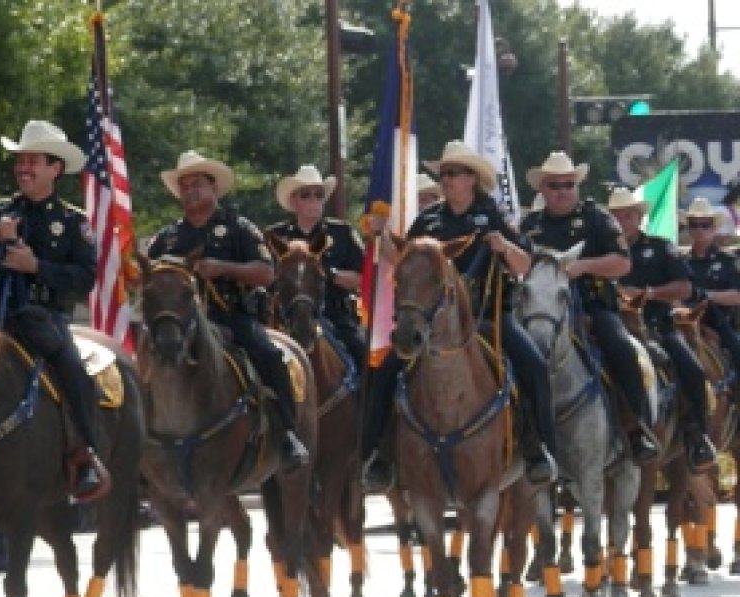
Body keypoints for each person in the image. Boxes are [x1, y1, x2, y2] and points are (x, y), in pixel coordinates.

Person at [360, 141, 557, 492]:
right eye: (443, 173)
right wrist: (380, 237)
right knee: (387, 368)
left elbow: (526, 266)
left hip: (489, 317)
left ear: (471, 179)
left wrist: (504, 247)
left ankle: (539, 448)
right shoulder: (429, 220)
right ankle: (378, 453)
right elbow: (405, 264)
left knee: (534, 366)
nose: (445, 179)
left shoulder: (494, 216)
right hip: (434, 323)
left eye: (453, 173)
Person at [0, 119, 106, 500]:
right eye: (21, 159)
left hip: (42, 318)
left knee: (73, 371)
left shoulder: (73, 222)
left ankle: (84, 453)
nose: (24, 167)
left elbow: (85, 279)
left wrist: (37, 268)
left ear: (55, 168)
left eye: (34, 160)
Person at [147, 150, 310, 471]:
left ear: (214, 189)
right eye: (185, 185)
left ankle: (287, 434)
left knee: (268, 354)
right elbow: (147, 275)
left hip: (232, 317)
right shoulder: (167, 238)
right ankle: (145, 440)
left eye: (198, 184)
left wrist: (223, 268)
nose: (191, 190)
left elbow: (267, 272)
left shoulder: (239, 228)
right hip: (178, 322)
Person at [520, 151, 661, 466]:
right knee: (513, 355)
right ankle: (521, 432)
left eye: (569, 184)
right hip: (541, 309)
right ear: (542, 189)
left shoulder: (598, 218)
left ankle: (635, 427)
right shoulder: (529, 224)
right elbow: (516, 264)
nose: (563, 191)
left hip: (592, 306)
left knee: (622, 348)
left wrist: (583, 266)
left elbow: (623, 263)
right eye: (555, 185)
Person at [609, 188, 716, 473]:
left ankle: (696, 435)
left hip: (657, 326)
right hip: (610, 327)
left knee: (691, 368)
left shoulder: (660, 247)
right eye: (615, 216)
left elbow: (685, 287)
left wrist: (649, 293)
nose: (621, 221)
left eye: (627, 215)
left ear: (639, 217)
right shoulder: (601, 250)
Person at [267, 165, 367, 368]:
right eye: (306, 195)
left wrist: (329, 274)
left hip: (336, 314)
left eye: (319, 195)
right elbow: (265, 277)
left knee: (364, 355)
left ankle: (376, 400)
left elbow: (363, 278)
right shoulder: (275, 236)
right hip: (286, 315)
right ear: (293, 200)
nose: (314, 200)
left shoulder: (343, 232)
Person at [683, 196, 740, 385]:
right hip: (682, 321)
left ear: (714, 228)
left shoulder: (727, 261)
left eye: (705, 225)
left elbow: (737, 296)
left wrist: (707, 295)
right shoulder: (679, 260)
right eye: (694, 225)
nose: (699, 230)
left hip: (719, 323)